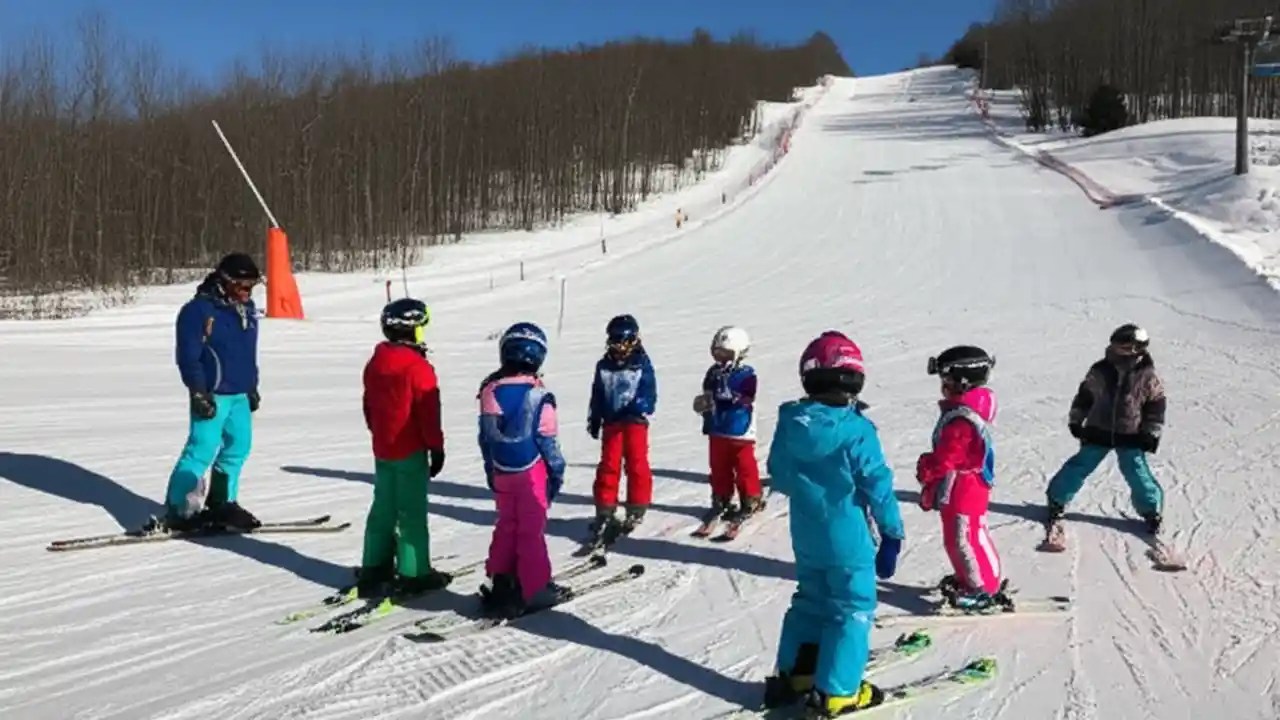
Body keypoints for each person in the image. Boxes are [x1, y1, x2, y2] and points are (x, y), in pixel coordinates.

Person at [762, 331, 904, 717]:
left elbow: (779, 472)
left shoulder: (791, 421)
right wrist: (892, 532)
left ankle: (796, 674)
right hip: (849, 536)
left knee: (810, 599)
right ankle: (838, 690)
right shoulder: (856, 430)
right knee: (851, 606)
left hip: (807, 532)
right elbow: (878, 485)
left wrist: (811, 493)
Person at [162, 252, 264, 532]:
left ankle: (222, 503)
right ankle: (180, 509)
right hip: (212, 392)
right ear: (225, 281)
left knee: (238, 447)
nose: (247, 292)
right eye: (242, 286)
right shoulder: (198, 311)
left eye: (252, 286)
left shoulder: (246, 309)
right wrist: (198, 391)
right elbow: (188, 356)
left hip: (239, 393)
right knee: (201, 449)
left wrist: (252, 385)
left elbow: (247, 354)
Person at [357, 297, 450, 598]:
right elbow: (428, 413)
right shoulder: (417, 367)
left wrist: (378, 433)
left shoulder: (376, 361)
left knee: (383, 506)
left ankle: (375, 564)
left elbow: (368, 405)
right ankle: (414, 571)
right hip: (409, 450)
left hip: (383, 449)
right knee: (411, 512)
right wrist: (435, 447)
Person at [477, 322, 568, 618]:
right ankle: (535, 587)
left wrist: (491, 470)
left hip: (502, 471)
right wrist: (556, 472)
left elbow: (486, 438)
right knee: (530, 530)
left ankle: (502, 579)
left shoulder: (490, 391)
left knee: (507, 525)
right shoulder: (539, 396)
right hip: (531, 473)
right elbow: (547, 440)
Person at [1046, 323, 1166, 533]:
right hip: (1098, 428)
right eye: (1115, 346)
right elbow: (1085, 396)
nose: (1115, 351)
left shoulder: (1147, 375)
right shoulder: (1101, 370)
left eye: (1121, 347)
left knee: (1136, 471)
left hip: (1130, 432)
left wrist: (1151, 432)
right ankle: (1057, 500)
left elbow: (1155, 405)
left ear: (1136, 349)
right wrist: (1076, 419)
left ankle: (1151, 510)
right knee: (1080, 465)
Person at [915, 345, 1006, 610]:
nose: (942, 387)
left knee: (964, 537)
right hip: (961, 486)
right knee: (961, 535)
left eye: (945, 381)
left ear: (961, 383)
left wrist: (927, 468)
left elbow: (948, 458)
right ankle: (969, 579)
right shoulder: (962, 414)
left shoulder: (961, 421)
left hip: (964, 488)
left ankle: (982, 589)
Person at [586, 314, 657, 540]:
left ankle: (637, 506)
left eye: (624, 342)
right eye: (615, 341)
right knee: (609, 464)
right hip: (612, 423)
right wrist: (595, 416)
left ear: (634, 340)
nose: (620, 347)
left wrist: (637, 406)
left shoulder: (641, 365)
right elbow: (598, 393)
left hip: (634, 422)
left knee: (636, 462)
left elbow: (649, 393)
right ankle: (605, 507)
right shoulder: (604, 366)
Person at [693, 325, 764, 525]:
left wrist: (734, 397)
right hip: (718, 428)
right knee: (718, 467)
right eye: (717, 354)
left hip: (740, 430)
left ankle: (751, 498)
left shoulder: (746, 374)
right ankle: (721, 498)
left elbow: (748, 396)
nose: (720, 360)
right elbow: (708, 393)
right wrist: (704, 405)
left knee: (744, 467)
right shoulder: (713, 374)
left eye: (725, 355)